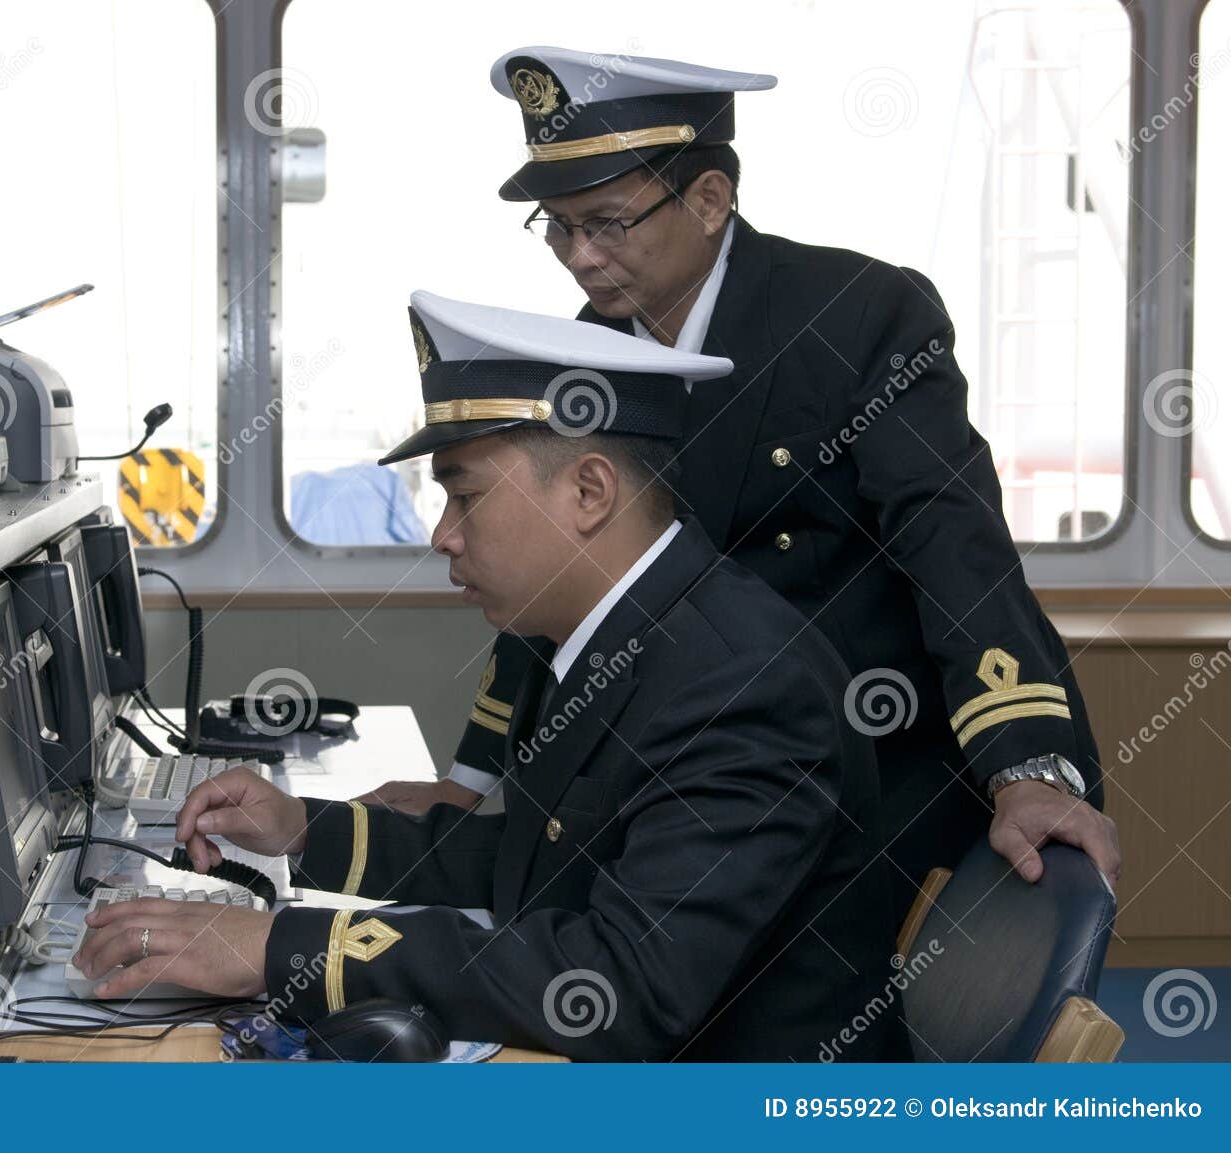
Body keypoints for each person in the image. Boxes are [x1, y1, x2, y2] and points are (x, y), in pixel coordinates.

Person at [366, 47, 1120, 925]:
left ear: (711, 199)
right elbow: (560, 579)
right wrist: (466, 784)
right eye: (558, 225)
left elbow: (954, 544)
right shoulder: (594, 344)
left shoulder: (858, 313)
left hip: (886, 768)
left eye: (606, 222)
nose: (579, 256)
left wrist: (1026, 766)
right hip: (703, 776)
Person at [71, 291, 907, 1061]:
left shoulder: (741, 686)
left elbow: (620, 985)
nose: (443, 535)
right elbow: (540, 863)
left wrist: (279, 948)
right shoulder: (616, 633)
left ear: (589, 490)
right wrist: (303, 832)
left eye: (464, 496)